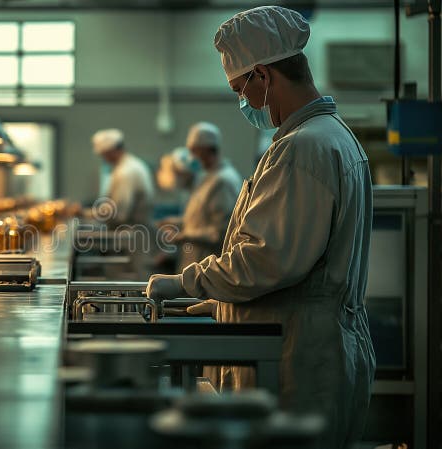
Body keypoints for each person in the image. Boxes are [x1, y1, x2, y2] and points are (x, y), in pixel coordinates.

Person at [145, 6, 375, 449]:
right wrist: (227, 306)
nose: (244, 102)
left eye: (240, 89)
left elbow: (267, 259)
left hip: (299, 357)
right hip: (308, 338)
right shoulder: (327, 137)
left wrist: (188, 282)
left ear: (263, 77)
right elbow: (300, 260)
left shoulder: (304, 149)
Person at [176, 122, 242, 271]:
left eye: (194, 151)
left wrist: (185, 236)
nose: (191, 157)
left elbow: (220, 232)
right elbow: (201, 218)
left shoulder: (223, 181)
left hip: (209, 267)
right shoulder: (207, 177)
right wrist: (177, 223)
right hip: (196, 265)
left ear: (206, 150)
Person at [92, 128, 155, 229]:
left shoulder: (126, 171)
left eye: (104, 154)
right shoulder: (130, 165)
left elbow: (120, 213)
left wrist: (89, 213)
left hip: (131, 234)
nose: (104, 158)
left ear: (112, 151)